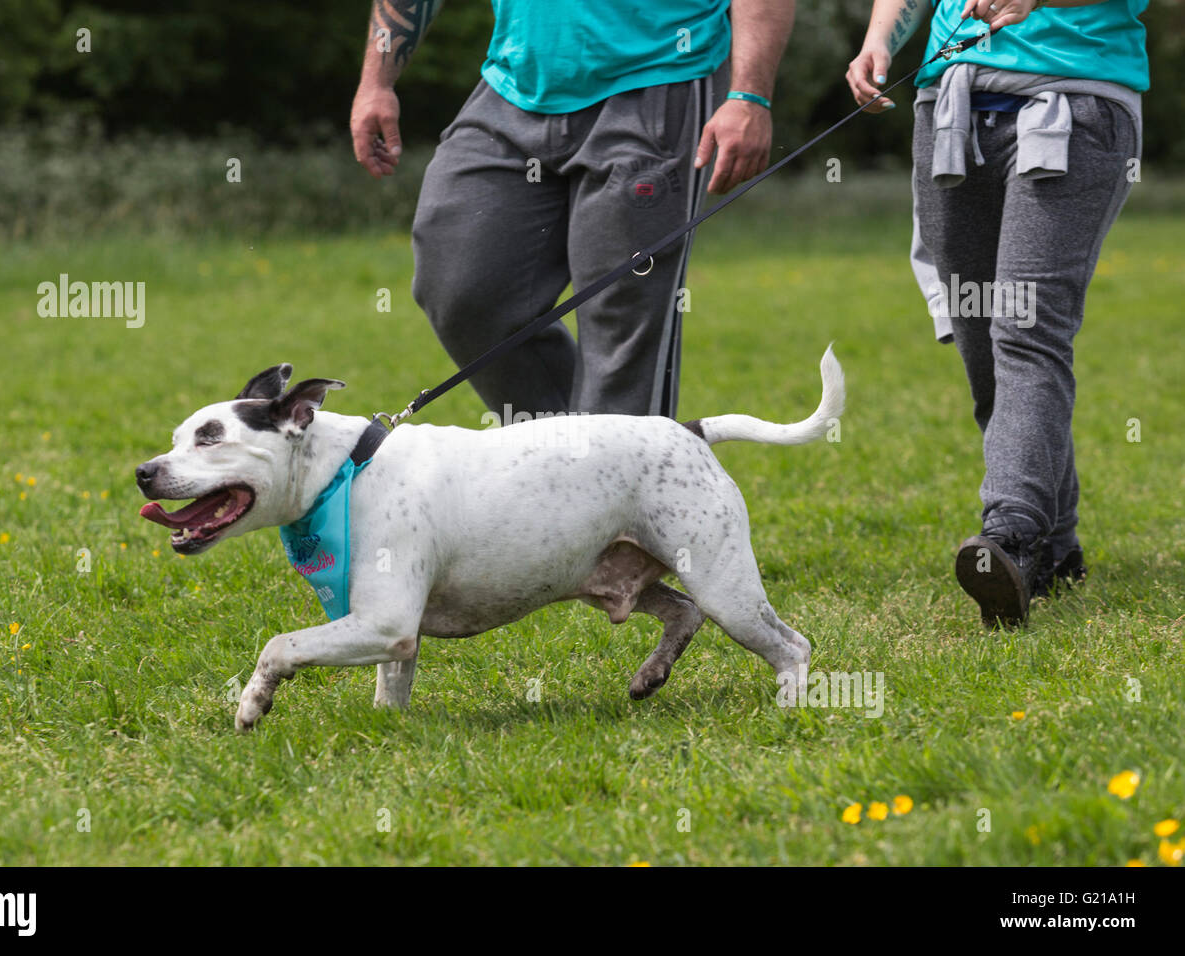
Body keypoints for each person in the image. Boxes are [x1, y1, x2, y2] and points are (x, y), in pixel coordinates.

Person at [845, 0, 1148, 626]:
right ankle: (1055, 550)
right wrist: (879, 39)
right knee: (979, 337)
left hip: (1074, 100)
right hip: (949, 104)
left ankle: (1008, 534)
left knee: (1025, 330)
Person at [351, 0, 795, 418]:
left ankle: (619, 484)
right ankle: (564, 458)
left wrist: (749, 95)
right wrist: (377, 82)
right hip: (514, 81)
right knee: (461, 288)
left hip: (659, 76)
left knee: (620, 333)